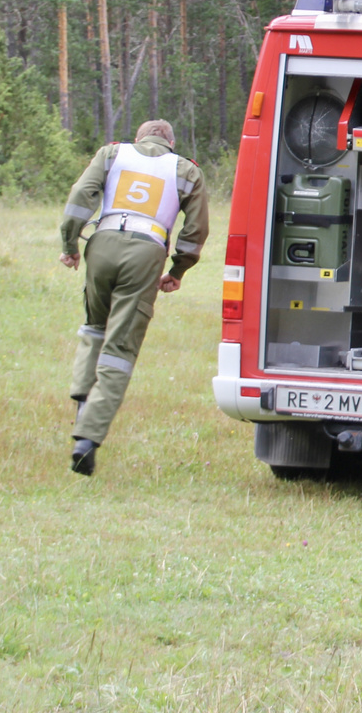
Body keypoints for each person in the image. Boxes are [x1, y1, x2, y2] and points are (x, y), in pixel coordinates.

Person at [58, 119, 208, 476]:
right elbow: (196, 228)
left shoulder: (112, 154)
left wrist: (70, 244)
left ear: (140, 139)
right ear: (170, 142)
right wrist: (178, 269)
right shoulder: (186, 170)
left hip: (103, 242)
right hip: (146, 252)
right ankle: (87, 440)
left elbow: (81, 196)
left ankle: (83, 405)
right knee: (120, 350)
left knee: (94, 328)